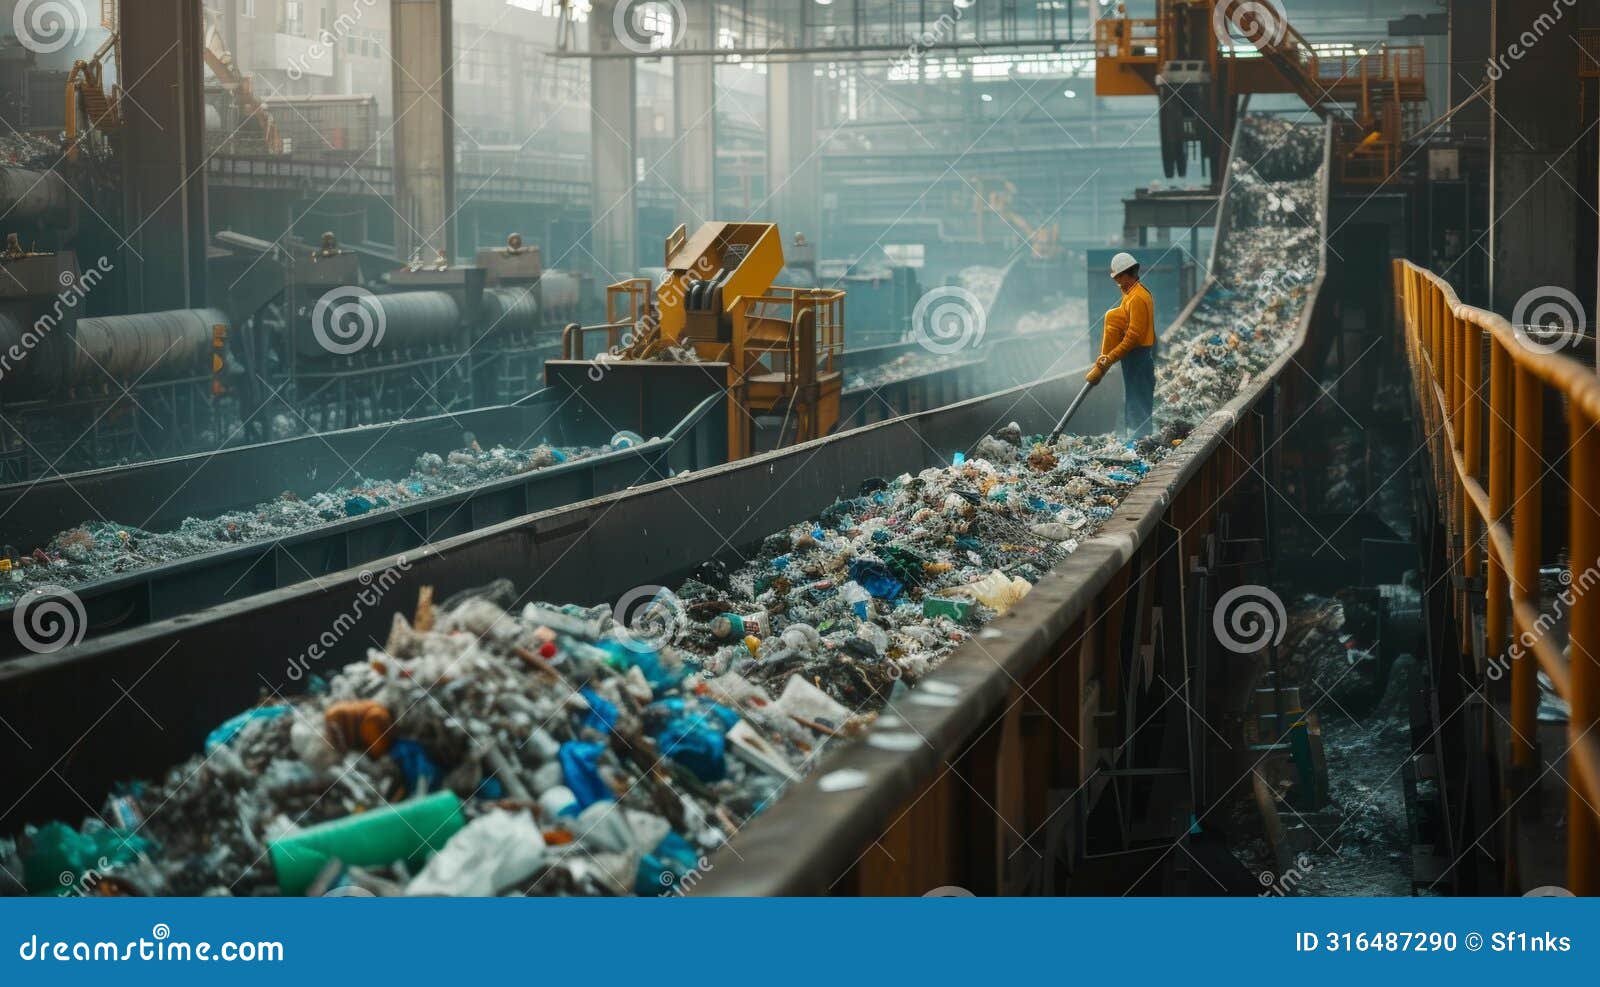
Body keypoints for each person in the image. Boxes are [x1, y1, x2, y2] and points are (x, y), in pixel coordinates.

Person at [1086, 251, 1156, 439]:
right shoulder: (1131, 295)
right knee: (1134, 398)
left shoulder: (1138, 298)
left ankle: (1141, 440)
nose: (1116, 282)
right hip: (1134, 357)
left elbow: (1133, 336)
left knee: (1138, 399)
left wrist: (1111, 357)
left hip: (1139, 355)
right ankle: (1136, 438)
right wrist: (1105, 359)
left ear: (1126, 274)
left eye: (1118, 277)